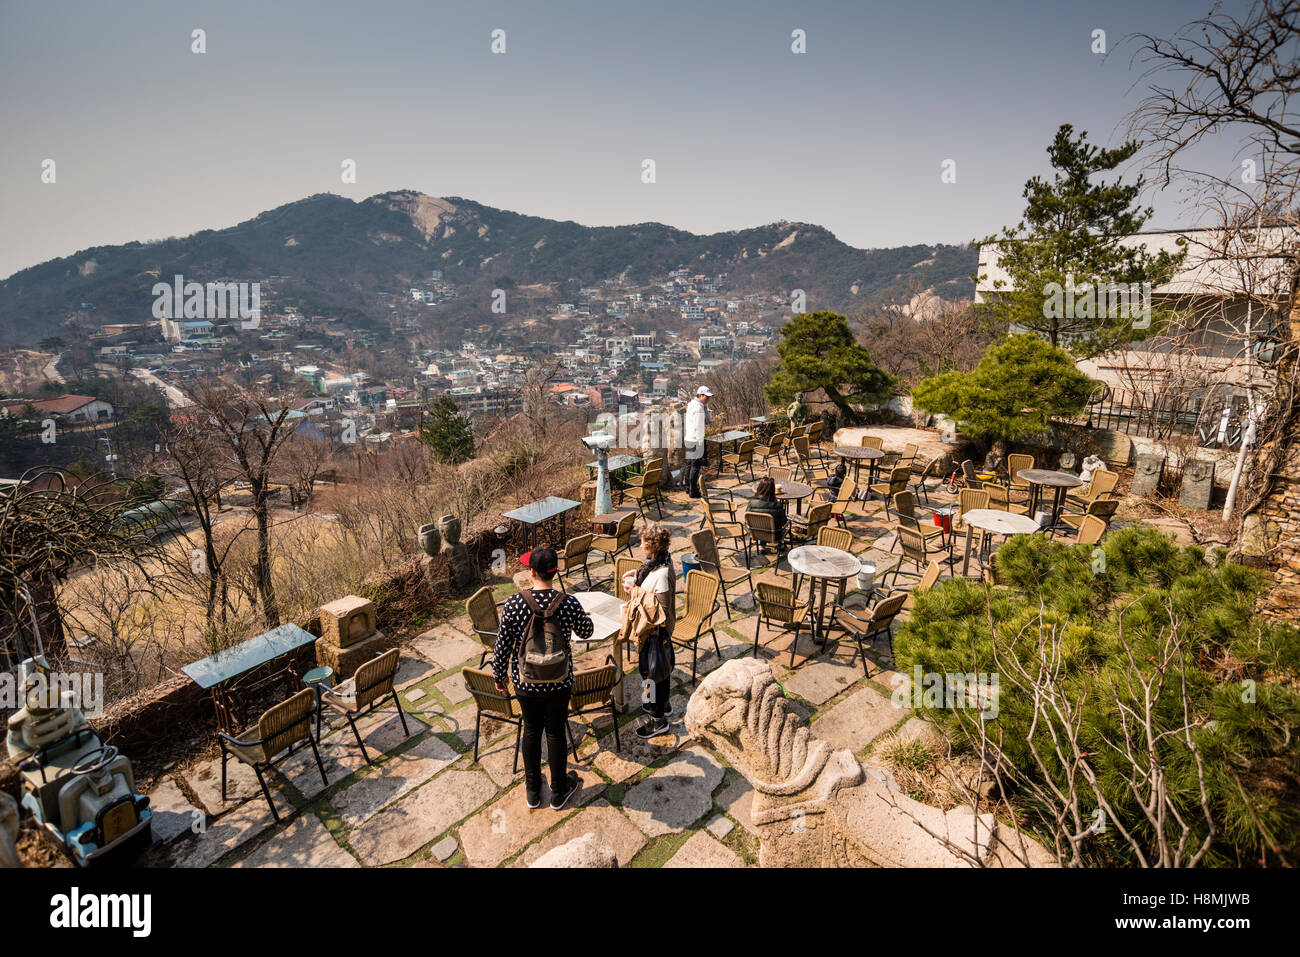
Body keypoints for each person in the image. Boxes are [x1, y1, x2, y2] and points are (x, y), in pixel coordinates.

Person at [493, 545, 593, 810]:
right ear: (555, 571)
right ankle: (559, 791)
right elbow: (586, 631)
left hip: (526, 681)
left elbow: (502, 645)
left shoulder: (514, 603)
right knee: (556, 733)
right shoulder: (568, 602)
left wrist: (498, 675)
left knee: (532, 730)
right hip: (559, 681)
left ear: (531, 572)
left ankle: (533, 791)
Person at [621, 524, 677, 739]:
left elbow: (660, 612)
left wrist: (634, 591)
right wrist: (637, 574)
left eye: (644, 542)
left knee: (650, 675)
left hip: (655, 635)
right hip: (653, 635)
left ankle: (658, 719)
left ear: (652, 545)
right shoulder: (659, 562)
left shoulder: (661, 574)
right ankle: (662, 705)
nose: (641, 544)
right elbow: (650, 580)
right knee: (660, 672)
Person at [683, 385, 713, 498]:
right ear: (700, 395)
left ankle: (687, 487)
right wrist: (700, 441)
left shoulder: (691, 405)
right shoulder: (699, 408)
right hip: (696, 439)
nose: (708, 399)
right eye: (706, 396)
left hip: (689, 438)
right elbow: (698, 426)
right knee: (695, 466)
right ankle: (693, 490)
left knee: (689, 465)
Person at [746, 476, 787, 554]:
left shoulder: (751, 502)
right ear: (773, 490)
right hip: (774, 535)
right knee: (774, 526)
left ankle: (762, 545)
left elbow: (747, 519)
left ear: (759, 487)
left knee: (762, 524)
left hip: (756, 533)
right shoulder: (777, 505)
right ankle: (780, 544)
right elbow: (783, 522)